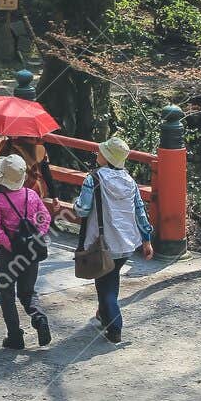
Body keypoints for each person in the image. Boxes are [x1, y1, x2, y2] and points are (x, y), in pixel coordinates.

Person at [73, 136, 154, 343]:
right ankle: (103, 313)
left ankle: (115, 326)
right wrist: (146, 239)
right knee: (112, 278)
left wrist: (74, 205)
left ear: (107, 157)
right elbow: (140, 211)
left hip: (102, 244)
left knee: (104, 284)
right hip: (126, 242)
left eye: (101, 152)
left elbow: (82, 210)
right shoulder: (130, 181)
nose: (97, 154)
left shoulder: (93, 179)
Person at [0, 154, 53, 350]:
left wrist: (8, 244)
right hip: (30, 252)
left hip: (8, 254)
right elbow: (45, 218)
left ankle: (15, 336)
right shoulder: (31, 195)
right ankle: (39, 318)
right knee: (27, 292)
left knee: (6, 294)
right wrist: (37, 237)